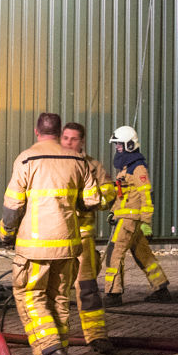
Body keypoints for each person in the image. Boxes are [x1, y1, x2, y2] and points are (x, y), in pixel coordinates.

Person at [0, 111, 104, 355]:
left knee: (30, 295)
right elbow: (93, 200)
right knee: (58, 298)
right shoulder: (78, 159)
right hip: (68, 245)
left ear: (37, 131)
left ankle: (49, 348)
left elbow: (12, 206)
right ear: (58, 133)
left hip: (34, 246)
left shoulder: (26, 158)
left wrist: (7, 232)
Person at [101, 124, 169, 304]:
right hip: (128, 218)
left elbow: (146, 195)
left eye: (120, 145)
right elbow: (123, 195)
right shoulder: (126, 168)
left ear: (129, 145)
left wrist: (147, 221)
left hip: (130, 220)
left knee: (114, 253)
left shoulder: (137, 168)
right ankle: (161, 288)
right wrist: (113, 212)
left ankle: (113, 294)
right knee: (142, 253)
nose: (117, 148)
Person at [60, 121, 117, 329]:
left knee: (88, 288)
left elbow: (109, 193)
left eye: (73, 139)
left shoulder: (93, 167)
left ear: (82, 141)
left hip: (83, 237)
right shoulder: (52, 165)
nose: (68, 142)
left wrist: (89, 203)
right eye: (65, 138)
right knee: (57, 291)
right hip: (57, 237)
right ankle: (56, 339)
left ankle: (96, 335)